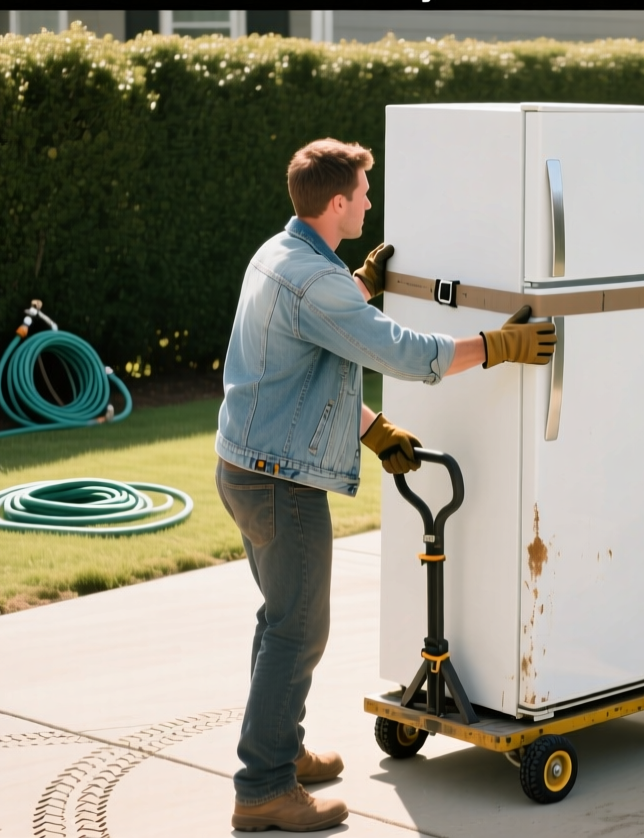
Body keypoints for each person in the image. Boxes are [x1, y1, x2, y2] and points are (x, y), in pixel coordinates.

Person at [216, 138, 554, 832]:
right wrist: (498, 346)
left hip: (244, 467)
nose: (372, 201)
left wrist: (369, 421)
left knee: (279, 621)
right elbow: (401, 352)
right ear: (337, 204)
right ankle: (264, 789)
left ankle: (281, 748)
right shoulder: (318, 282)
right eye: (365, 193)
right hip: (280, 482)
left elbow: (314, 351)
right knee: (297, 631)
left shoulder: (282, 256)